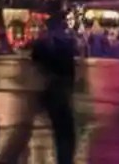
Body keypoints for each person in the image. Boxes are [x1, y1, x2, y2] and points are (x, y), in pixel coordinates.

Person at [31, 12, 77, 164]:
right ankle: (65, 159)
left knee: (58, 128)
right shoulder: (67, 42)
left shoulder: (42, 43)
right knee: (65, 130)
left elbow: (35, 63)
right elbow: (71, 67)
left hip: (49, 87)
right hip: (62, 87)